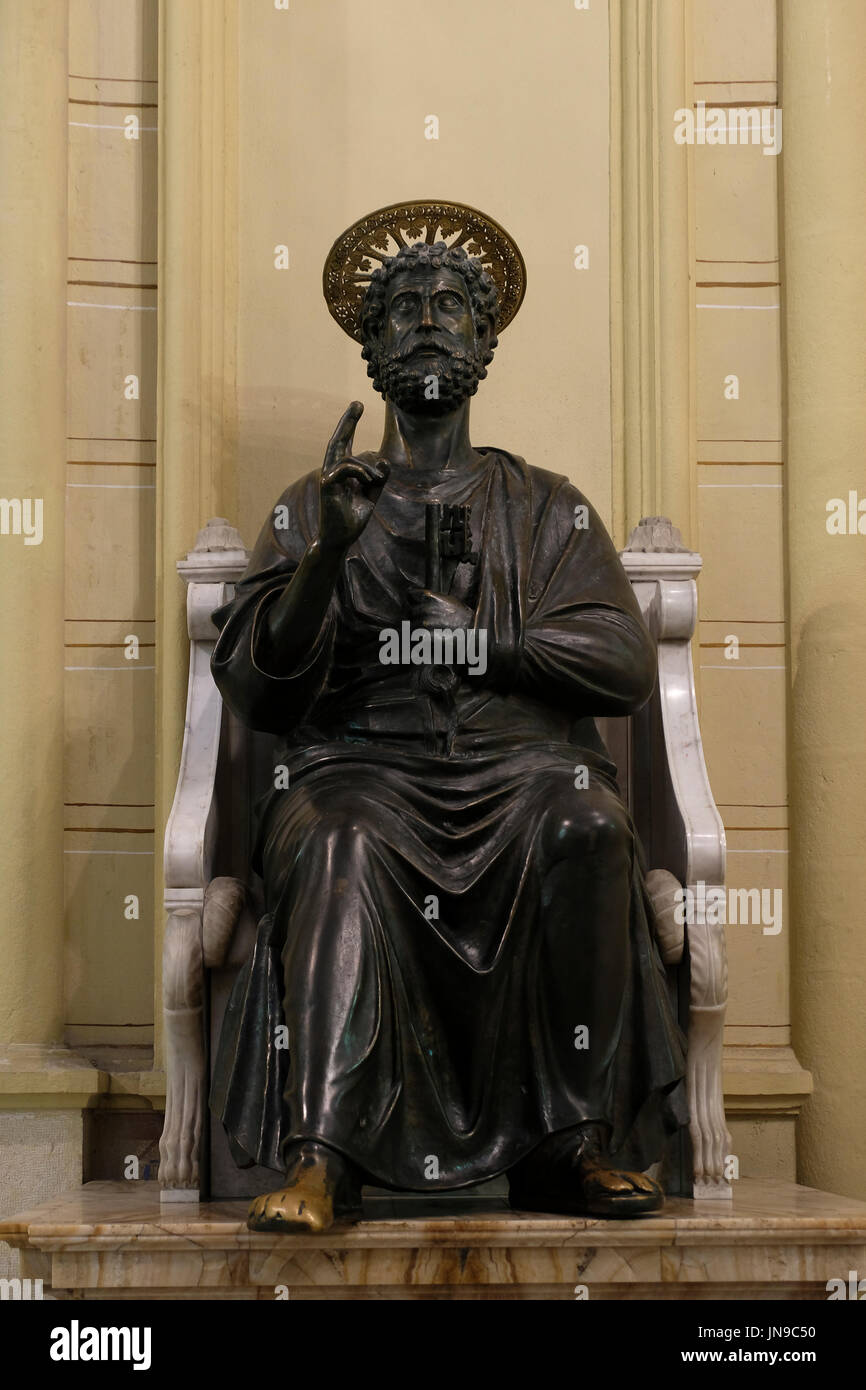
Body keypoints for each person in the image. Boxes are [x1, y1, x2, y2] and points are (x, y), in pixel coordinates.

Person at [210, 231, 686, 1233]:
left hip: (522, 772)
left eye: (450, 305)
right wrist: (326, 557)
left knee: (588, 827)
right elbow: (256, 689)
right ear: (372, 347)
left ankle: (572, 1143)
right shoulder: (313, 505)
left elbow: (623, 664)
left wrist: (490, 645)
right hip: (357, 772)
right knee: (342, 842)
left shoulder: (547, 508)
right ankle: (321, 1155)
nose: (427, 321)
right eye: (402, 308)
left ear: (484, 342)